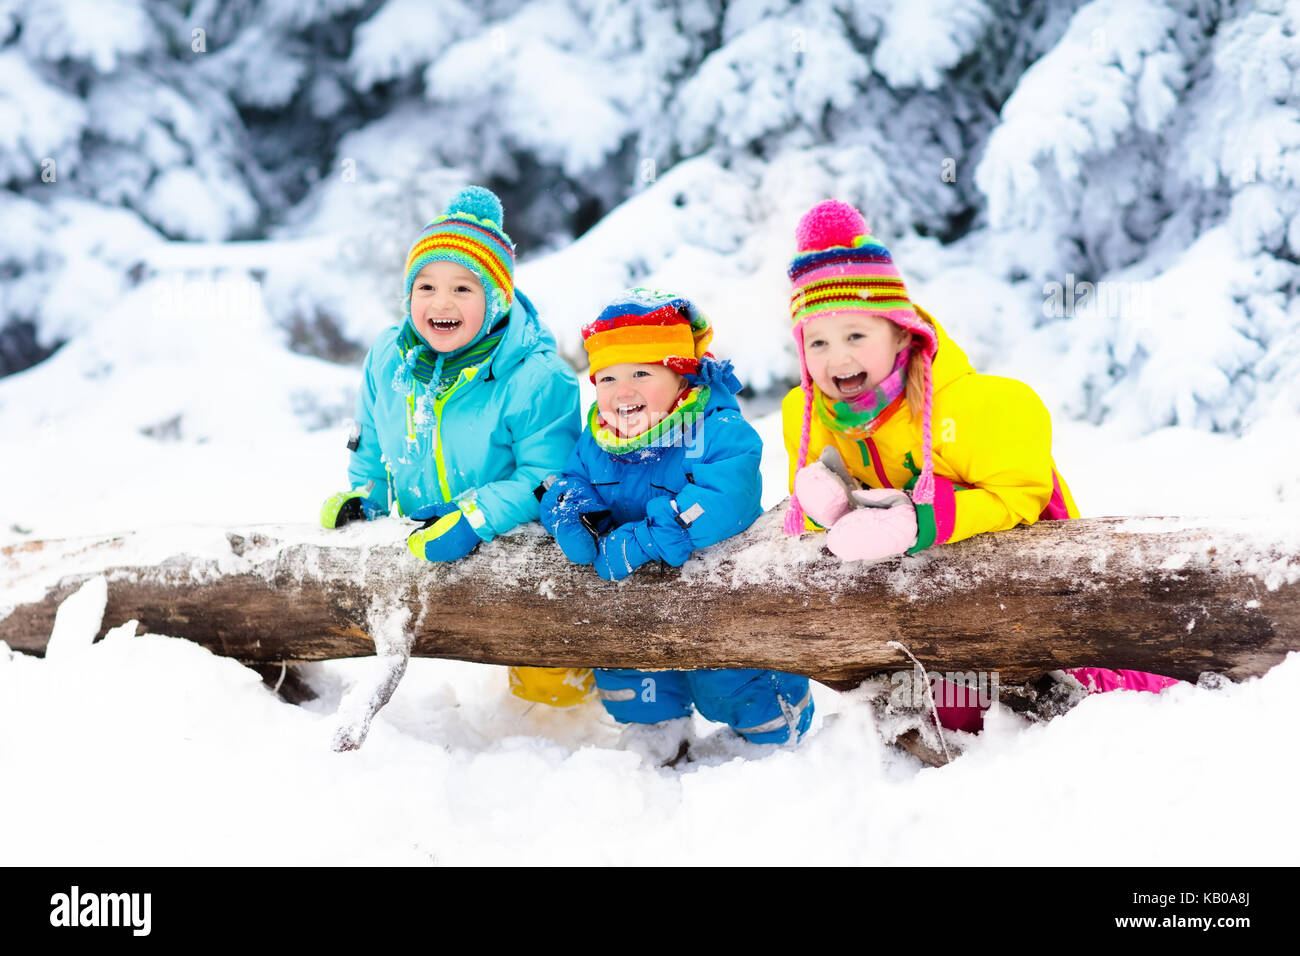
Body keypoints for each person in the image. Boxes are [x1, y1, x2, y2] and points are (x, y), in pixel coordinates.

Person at [781, 200, 1177, 731]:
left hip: (1031, 575)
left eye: (856, 335)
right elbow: (816, 518)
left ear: (902, 333)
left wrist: (918, 523)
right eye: (818, 342)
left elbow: (1021, 497)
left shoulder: (973, 407)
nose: (836, 358)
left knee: (1105, 688)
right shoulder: (806, 414)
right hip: (933, 595)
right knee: (953, 710)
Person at [319, 185, 594, 708]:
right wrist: (366, 497)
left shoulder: (537, 377)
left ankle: (570, 731)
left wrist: (475, 516)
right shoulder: (388, 358)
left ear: (496, 299)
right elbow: (372, 441)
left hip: (519, 550)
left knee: (545, 695)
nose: (440, 303)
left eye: (463, 289)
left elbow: (547, 477)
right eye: (425, 286)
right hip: (425, 544)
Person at [539, 288, 814, 764]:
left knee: (732, 673)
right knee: (632, 662)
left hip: (720, 594)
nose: (622, 392)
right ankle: (657, 728)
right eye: (606, 378)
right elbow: (566, 480)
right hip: (633, 598)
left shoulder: (716, 429)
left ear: (680, 375)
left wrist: (644, 538)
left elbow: (723, 498)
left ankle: (772, 735)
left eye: (641, 374)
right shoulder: (597, 439)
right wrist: (571, 512)